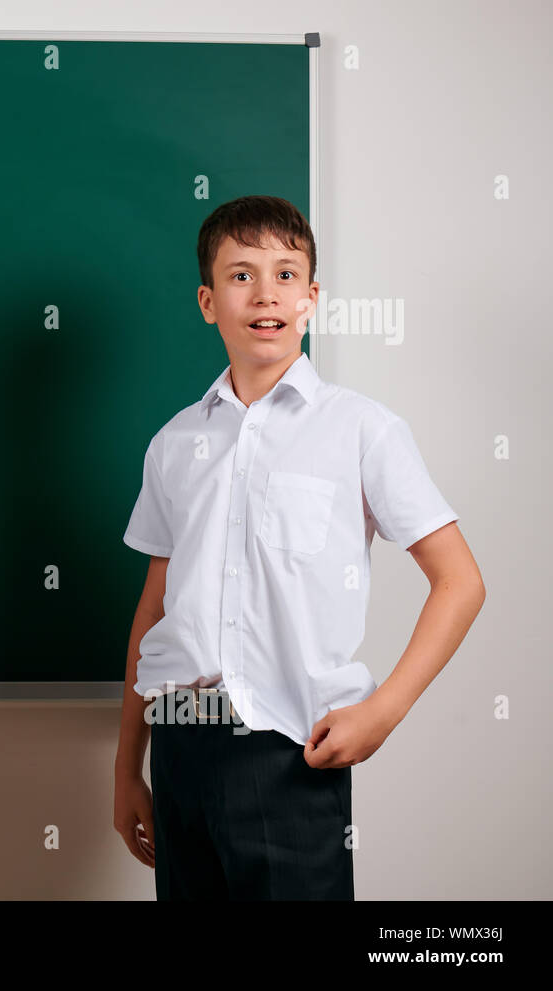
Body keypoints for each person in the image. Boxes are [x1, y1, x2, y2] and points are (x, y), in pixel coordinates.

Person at [111, 195, 484, 899]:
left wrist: (383, 710)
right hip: (182, 746)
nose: (265, 294)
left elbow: (460, 581)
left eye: (286, 274)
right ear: (207, 300)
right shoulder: (173, 444)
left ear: (312, 297)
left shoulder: (363, 430)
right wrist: (128, 766)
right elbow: (155, 607)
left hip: (290, 751)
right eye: (241, 275)